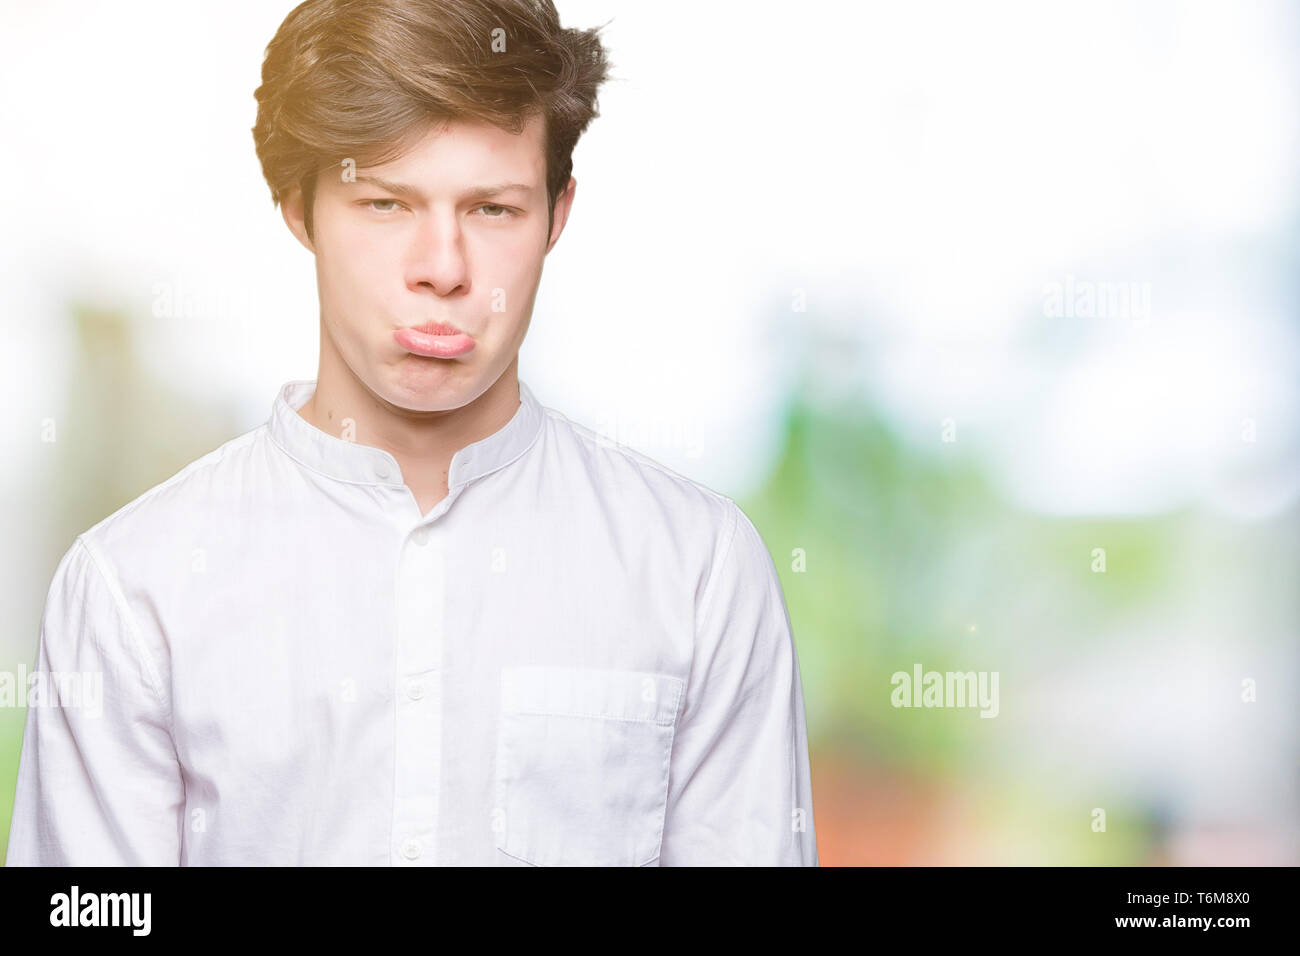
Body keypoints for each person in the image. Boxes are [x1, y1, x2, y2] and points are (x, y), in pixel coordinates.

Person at [4, 0, 818, 866]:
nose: (442, 268)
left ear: (557, 212)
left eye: (493, 210)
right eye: (386, 203)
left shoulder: (696, 570)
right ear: (297, 207)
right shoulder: (136, 586)